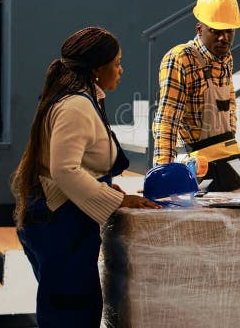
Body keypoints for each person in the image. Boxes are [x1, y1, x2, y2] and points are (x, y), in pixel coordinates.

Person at [10, 26, 161, 328]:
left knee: (75, 309)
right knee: (71, 315)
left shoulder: (79, 100)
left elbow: (74, 163)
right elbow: (64, 170)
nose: (121, 69)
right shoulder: (76, 105)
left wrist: (100, 182)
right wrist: (119, 198)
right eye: (116, 62)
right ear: (96, 69)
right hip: (61, 225)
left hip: (60, 222)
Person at [152, 0, 240, 191]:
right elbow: (167, 121)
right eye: (216, 31)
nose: (224, 38)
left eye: (229, 31)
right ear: (199, 29)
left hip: (231, 162)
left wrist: (229, 142)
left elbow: (229, 104)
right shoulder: (181, 58)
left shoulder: (225, 58)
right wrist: (163, 175)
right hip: (199, 167)